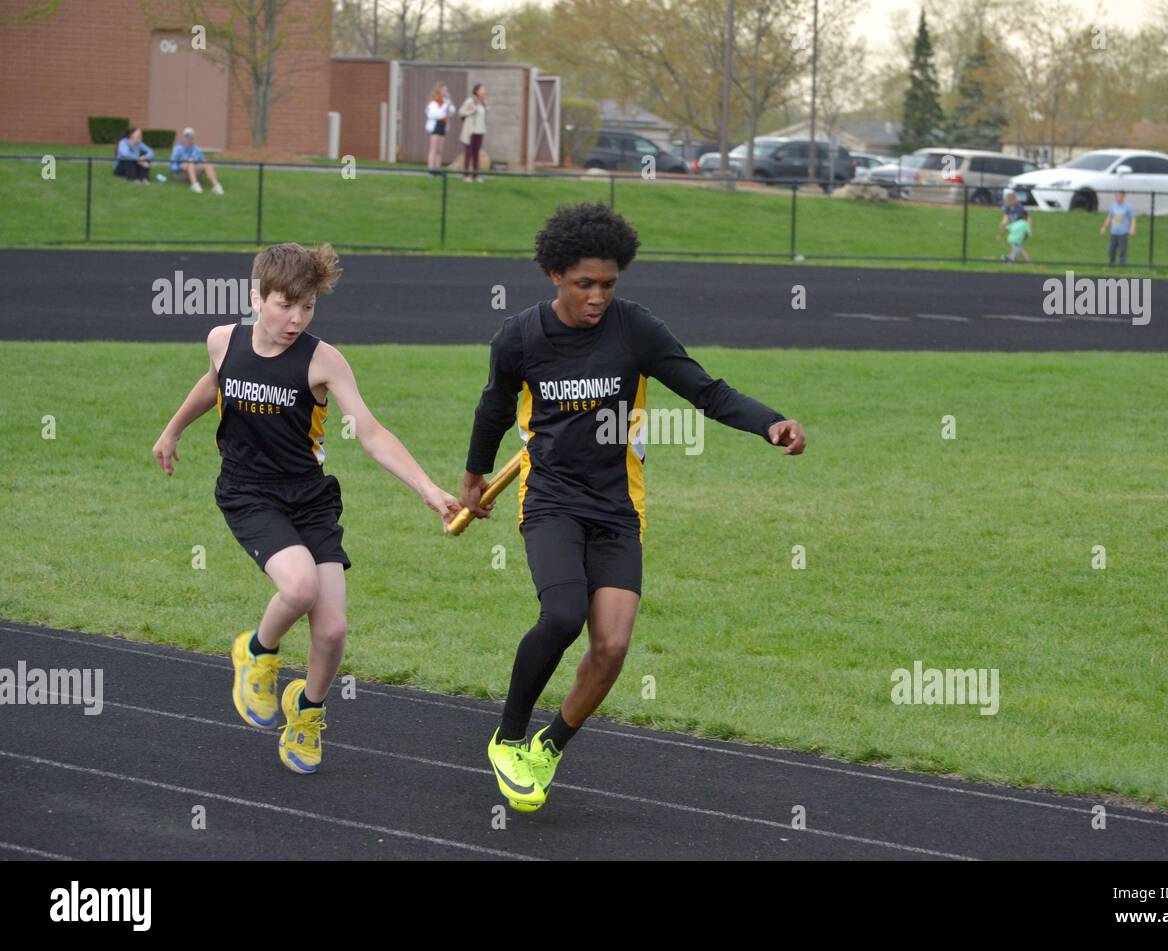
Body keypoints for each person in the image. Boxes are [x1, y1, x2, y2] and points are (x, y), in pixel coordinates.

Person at [463, 203, 807, 812]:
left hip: (619, 505)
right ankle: (507, 736)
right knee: (564, 616)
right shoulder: (518, 336)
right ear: (555, 276)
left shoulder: (635, 329)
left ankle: (549, 745)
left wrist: (770, 423)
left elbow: (707, 391)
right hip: (550, 499)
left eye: (608, 284)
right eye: (584, 284)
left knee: (613, 646)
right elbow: (494, 407)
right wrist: (473, 478)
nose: (597, 296)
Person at [151, 243, 460, 774]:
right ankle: (257, 651)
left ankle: (308, 713)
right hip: (249, 492)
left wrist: (428, 489)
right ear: (256, 298)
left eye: (308, 306)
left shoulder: (323, 360)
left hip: (310, 497)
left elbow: (370, 431)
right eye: (284, 305)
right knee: (298, 587)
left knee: (333, 630)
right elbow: (213, 381)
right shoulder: (223, 340)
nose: (296, 318)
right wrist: (173, 428)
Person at [169, 127, 224, 194]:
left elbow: (203, 162)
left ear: (193, 137)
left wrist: (209, 168)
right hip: (179, 174)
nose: (189, 139)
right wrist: (180, 166)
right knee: (190, 161)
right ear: (184, 138)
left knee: (206, 162)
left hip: (193, 171)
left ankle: (216, 186)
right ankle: (194, 185)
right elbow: (171, 166)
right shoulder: (177, 149)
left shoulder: (197, 149)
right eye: (187, 137)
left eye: (191, 137)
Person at [458, 83, 487, 182]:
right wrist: (471, 111)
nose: (484, 91)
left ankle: (476, 175)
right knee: (468, 153)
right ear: (477, 91)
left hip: (480, 131)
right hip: (470, 131)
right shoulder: (470, 101)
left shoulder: (483, 102)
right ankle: (466, 176)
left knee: (476, 154)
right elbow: (461, 112)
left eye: (484, 89)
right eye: (482, 89)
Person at [425, 83, 456, 174]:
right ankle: (431, 169)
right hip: (435, 125)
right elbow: (438, 115)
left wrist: (449, 102)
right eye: (444, 90)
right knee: (433, 148)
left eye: (446, 90)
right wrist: (445, 105)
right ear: (439, 91)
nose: (446, 92)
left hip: (443, 125)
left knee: (440, 149)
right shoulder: (433, 103)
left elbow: (452, 111)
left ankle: (437, 169)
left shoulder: (446, 101)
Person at [1100, 190, 1137, 266]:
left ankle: (1122, 265)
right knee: (1111, 250)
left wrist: (1132, 228)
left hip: (1123, 233)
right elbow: (1110, 217)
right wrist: (1104, 227)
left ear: (1123, 196)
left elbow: (1133, 217)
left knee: (1123, 250)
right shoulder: (1113, 206)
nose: (1117, 197)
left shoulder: (1127, 207)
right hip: (1114, 232)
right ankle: (1111, 263)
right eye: (1116, 196)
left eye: (1119, 195)